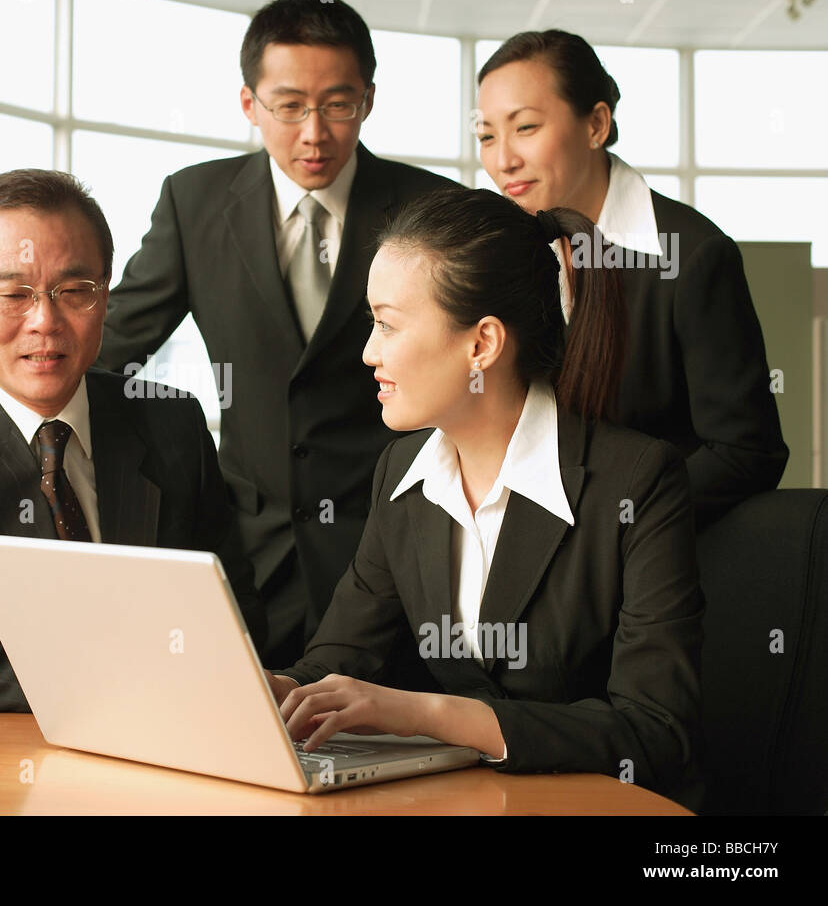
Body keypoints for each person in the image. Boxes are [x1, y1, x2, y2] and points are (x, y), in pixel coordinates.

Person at [267, 187, 705, 811]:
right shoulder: (403, 473)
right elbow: (336, 666)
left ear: (482, 345)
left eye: (388, 325)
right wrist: (263, 687)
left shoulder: (636, 480)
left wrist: (430, 714)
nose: (369, 353)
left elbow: (655, 731)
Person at [96, 0, 457, 668]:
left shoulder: (431, 207)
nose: (313, 132)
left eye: (337, 104)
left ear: (369, 100)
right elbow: (113, 347)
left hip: (396, 547)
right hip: (248, 551)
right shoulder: (194, 200)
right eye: (288, 105)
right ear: (249, 104)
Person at [0, 168, 267, 711]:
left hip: (169, 748)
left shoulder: (171, 423)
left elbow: (235, 617)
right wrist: (140, 682)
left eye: (74, 291)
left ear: (106, 294)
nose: (45, 321)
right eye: (13, 294)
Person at [475, 29, 787, 528]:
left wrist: (619, 520)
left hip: (654, 562)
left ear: (596, 124)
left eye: (526, 127)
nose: (503, 158)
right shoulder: (505, 253)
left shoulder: (691, 255)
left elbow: (745, 451)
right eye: (487, 135)